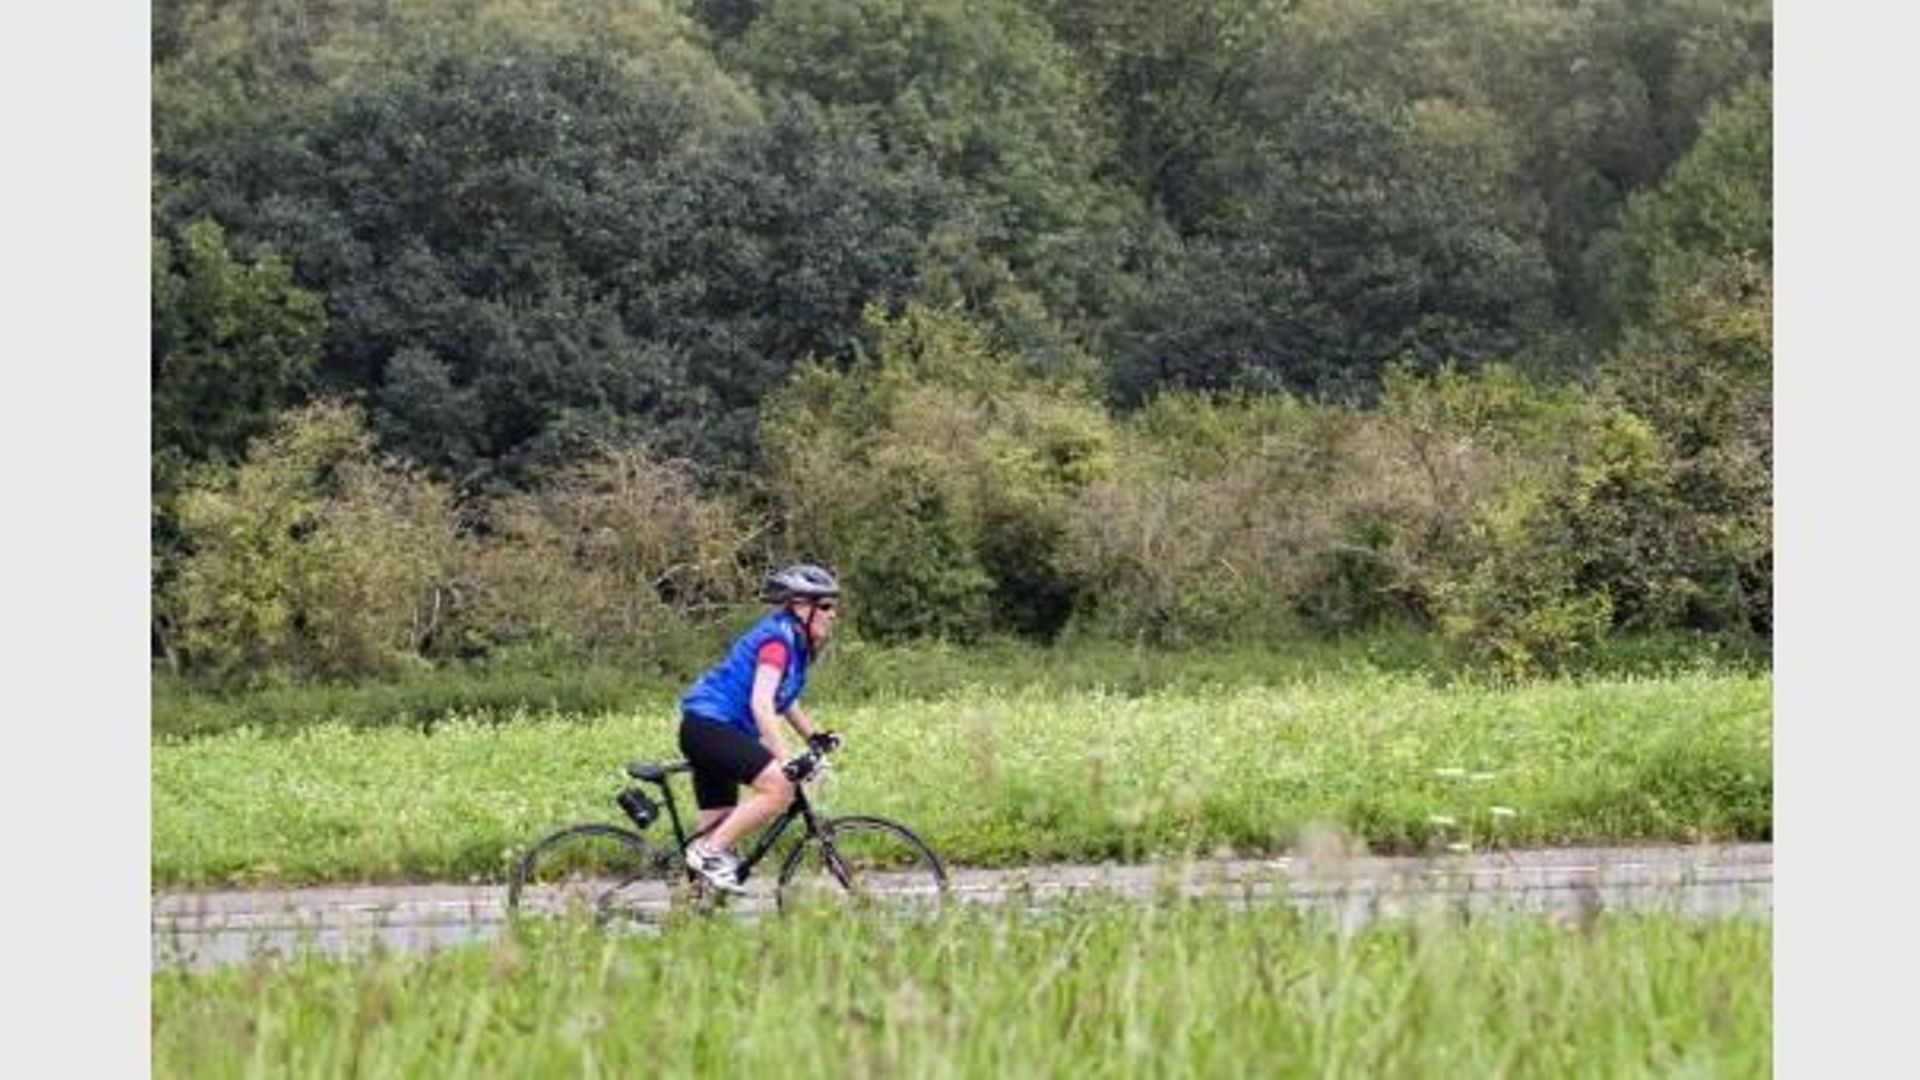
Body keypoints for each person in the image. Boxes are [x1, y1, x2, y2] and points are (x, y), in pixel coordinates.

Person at [677, 563, 843, 893]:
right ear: (800, 607)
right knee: (779, 788)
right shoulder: (777, 643)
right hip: (711, 727)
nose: (833, 614)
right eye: (825, 606)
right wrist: (785, 762)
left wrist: (813, 737)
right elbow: (761, 703)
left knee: (717, 839)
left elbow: (784, 699)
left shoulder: (791, 640)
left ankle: (687, 914)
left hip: (712, 730)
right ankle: (706, 854)